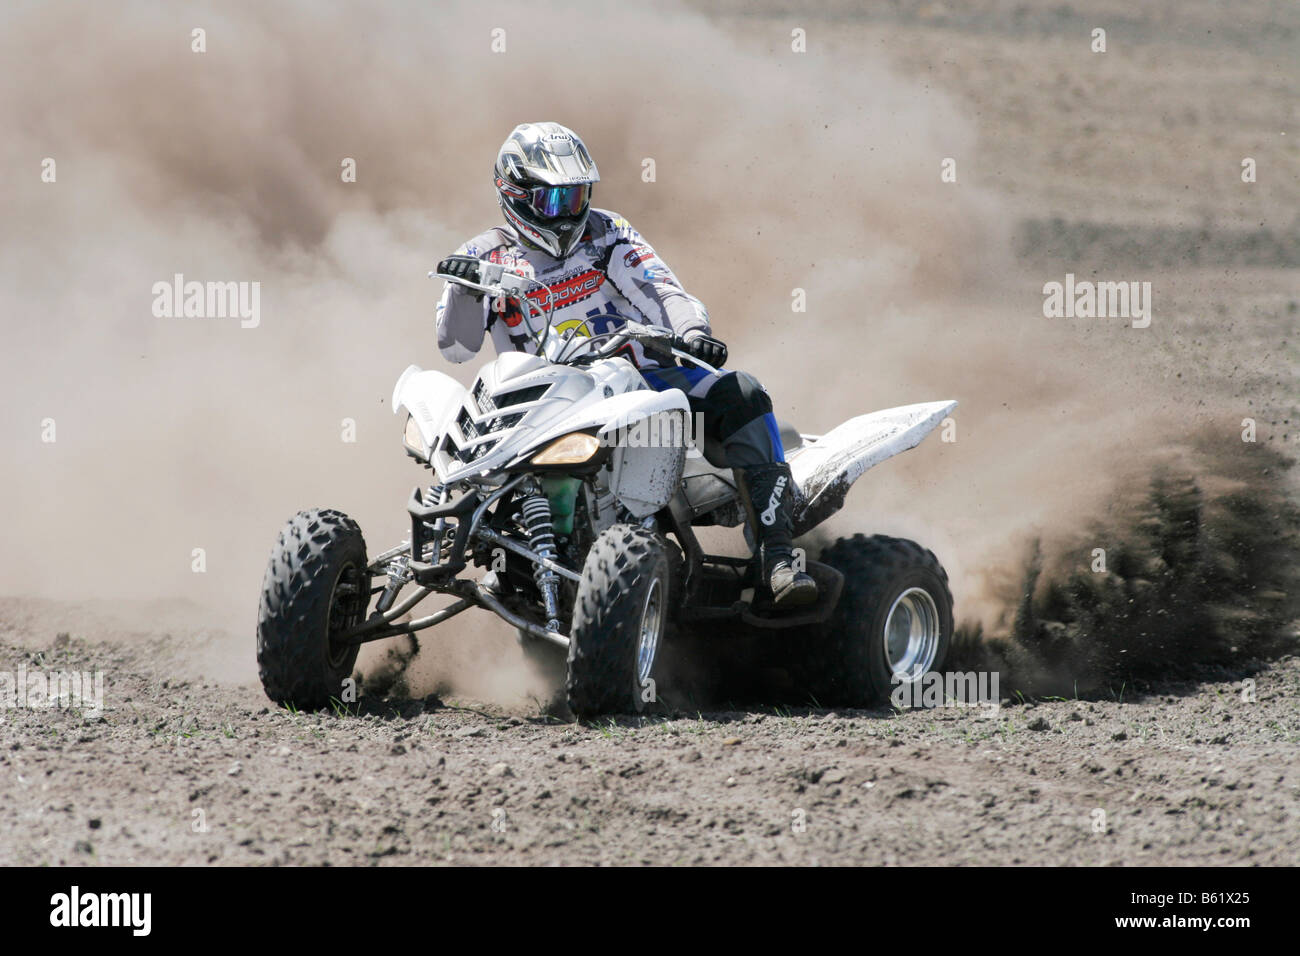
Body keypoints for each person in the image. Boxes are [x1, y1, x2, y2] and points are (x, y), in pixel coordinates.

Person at [435, 122, 816, 607]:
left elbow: (661, 289)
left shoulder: (605, 232)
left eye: (577, 197)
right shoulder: (481, 256)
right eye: (556, 201)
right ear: (515, 194)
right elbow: (455, 348)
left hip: (636, 377)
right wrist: (465, 290)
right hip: (538, 404)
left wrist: (693, 333)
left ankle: (777, 558)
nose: (571, 213)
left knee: (742, 394)